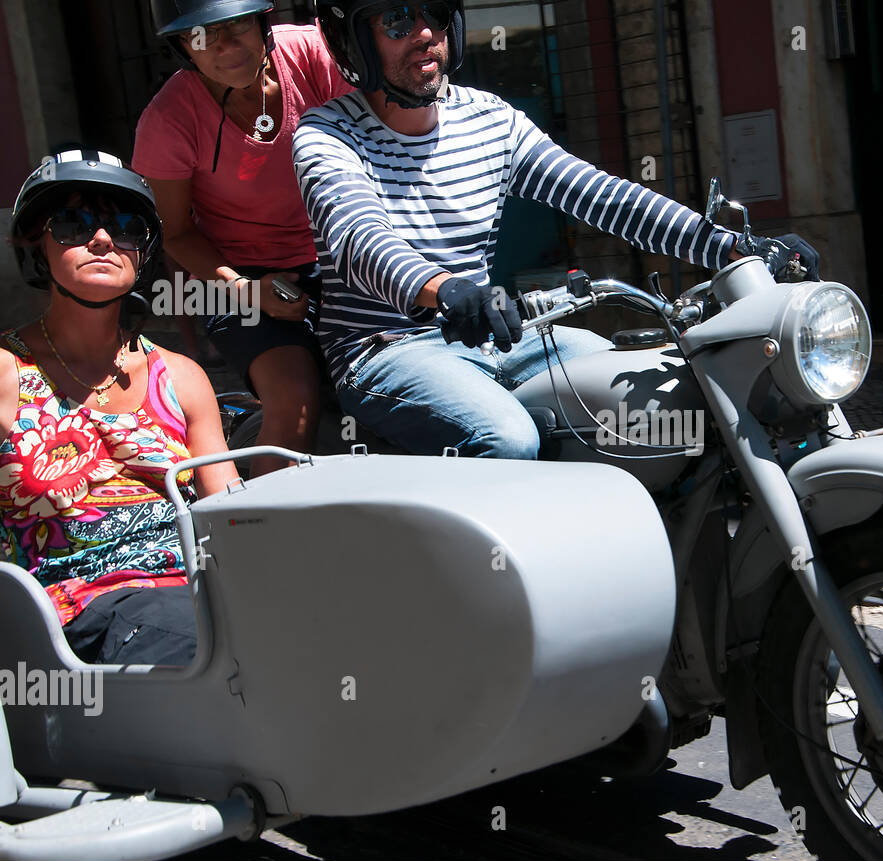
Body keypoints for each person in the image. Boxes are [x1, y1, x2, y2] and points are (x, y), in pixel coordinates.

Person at [294, 0, 819, 458]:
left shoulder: (491, 121)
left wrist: (732, 248)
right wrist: (446, 290)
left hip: (487, 339)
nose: (426, 32)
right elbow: (357, 240)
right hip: (385, 349)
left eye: (434, 11)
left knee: (652, 398)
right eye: (397, 20)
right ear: (353, 40)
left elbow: (603, 197)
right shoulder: (327, 135)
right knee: (507, 438)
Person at [0, 150, 238, 667]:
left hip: (205, 594)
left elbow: (232, 518)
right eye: (71, 224)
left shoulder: (180, 375)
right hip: (79, 613)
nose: (104, 239)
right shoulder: (6, 371)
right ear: (36, 248)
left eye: (127, 228)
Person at [133, 0, 353, 476]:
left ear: (263, 24)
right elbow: (175, 233)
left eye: (236, 26)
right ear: (179, 47)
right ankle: (260, 533)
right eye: (200, 35)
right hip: (237, 272)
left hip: (345, 253)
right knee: (294, 395)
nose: (224, 46)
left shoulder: (313, 55)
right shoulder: (168, 120)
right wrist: (246, 291)